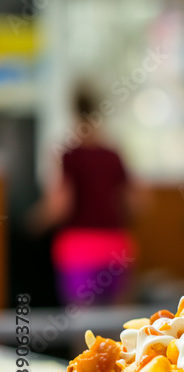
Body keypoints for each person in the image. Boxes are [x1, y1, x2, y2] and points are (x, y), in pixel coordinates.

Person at [30, 86, 140, 306]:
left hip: (79, 249)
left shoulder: (69, 154)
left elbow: (60, 206)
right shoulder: (113, 154)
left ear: (73, 111)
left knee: (82, 322)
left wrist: (30, 224)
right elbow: (137, 202)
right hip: (116, 248)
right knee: (120, 322)